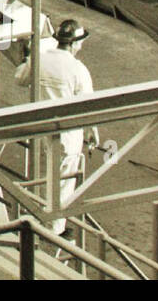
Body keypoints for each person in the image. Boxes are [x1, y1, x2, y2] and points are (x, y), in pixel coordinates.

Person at [13, 19, 98, 236]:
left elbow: (19, 79)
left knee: (45, 177)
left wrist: (26, 57)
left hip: (42, 130)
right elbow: (88, 106)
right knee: (63, 182)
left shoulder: (39, 60)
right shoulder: (78, 69)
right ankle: (54, 230)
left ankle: (42, 218)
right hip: (68, 134)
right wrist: (93, 132)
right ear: (75, 44)